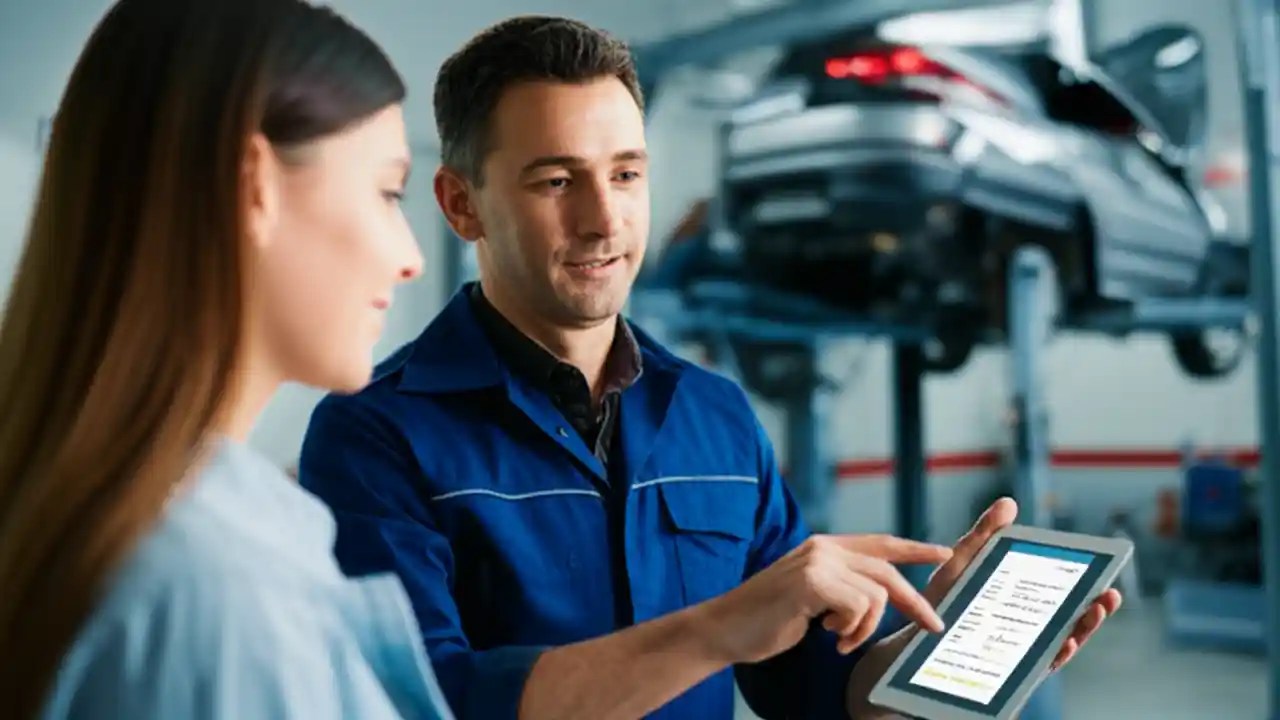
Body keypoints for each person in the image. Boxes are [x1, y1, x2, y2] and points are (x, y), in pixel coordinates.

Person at [299, 15, 1122, 720]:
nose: (603, 219)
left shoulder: (714, 419)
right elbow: (422, 698)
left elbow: (812, 685)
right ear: (460, 203)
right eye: (556, 180)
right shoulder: (373, 434)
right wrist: (719, 627)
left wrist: (925, 655)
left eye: (626, 173)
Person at [0, 1, 456, 718]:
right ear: (254, 183)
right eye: (387, 192)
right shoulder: (214, 596)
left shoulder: (109, 524)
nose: (411, 257)